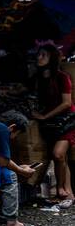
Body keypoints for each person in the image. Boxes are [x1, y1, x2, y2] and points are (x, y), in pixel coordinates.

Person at [29, 40, 75, 202]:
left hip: (66, 121)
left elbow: (67, 103)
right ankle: (65, 192)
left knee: (58, 154)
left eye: (44, 55)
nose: (39, 58)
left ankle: (61, 189)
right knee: (61, 157)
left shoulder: (62, 77)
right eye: (39, 55)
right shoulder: (39, 78)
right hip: (51, 124)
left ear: (52, 58)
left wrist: (44, 116)